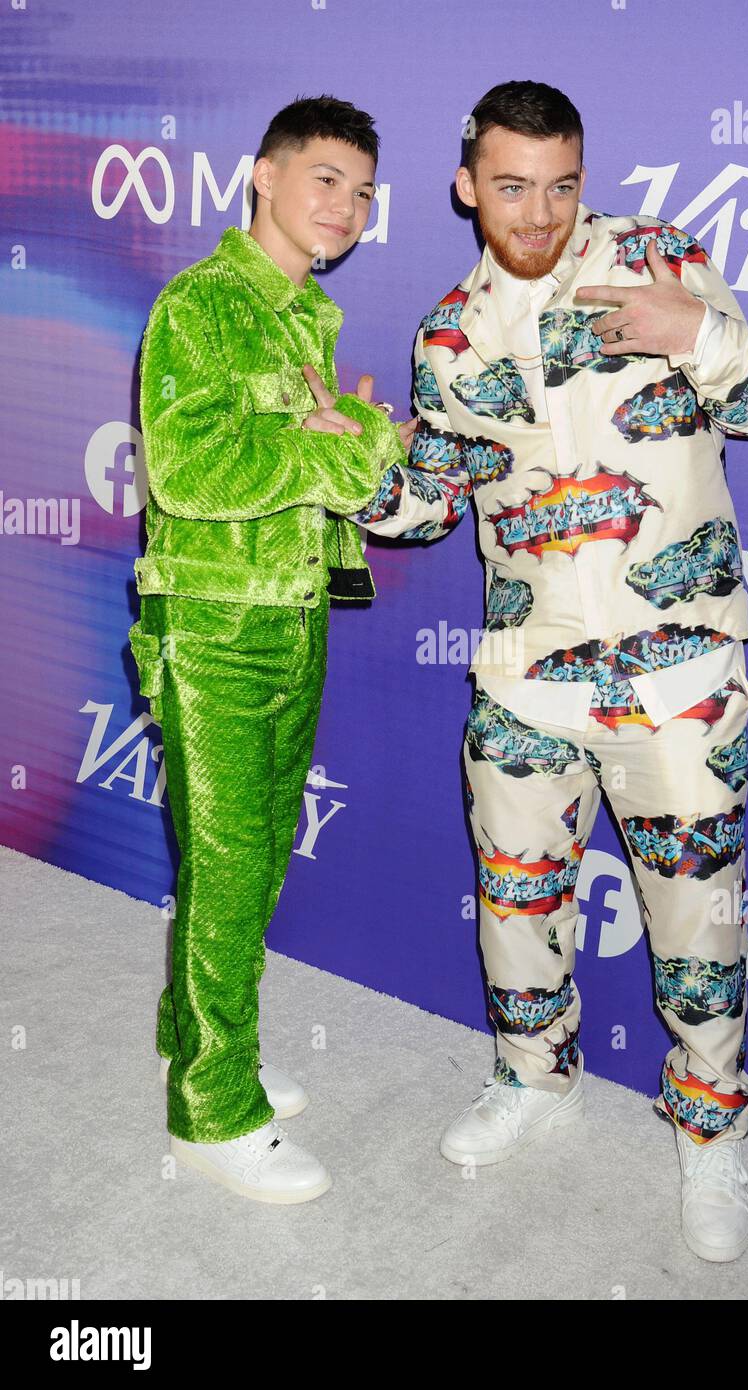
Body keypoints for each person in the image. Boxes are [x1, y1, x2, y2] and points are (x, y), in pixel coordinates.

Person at [351, 81, 748, 1261]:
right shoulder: (449, 335)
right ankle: (533, 1079)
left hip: (681, 672)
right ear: (464, 185)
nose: (538, 211)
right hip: (523, 674)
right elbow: (428, 507)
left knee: (698, 917)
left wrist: (695, 336)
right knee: (517, 901)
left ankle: (710, 1131)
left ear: (583, 176)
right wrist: (352, 468)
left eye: (561, 184)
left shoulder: (660, 260)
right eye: (510, 186)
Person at [128, 95, 408, 1204]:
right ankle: (211, 1107)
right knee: (233, 865)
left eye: (363, 190)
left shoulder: (305, 321)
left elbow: (302, 466)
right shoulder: (200, 304)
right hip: (213, 627)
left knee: (243, 858)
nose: (346, 205)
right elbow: (193, 474)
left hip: (292, 615)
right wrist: (349, 451)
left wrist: (342, 448)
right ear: (263, 177)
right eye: (327, 178)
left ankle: (194, 1032)